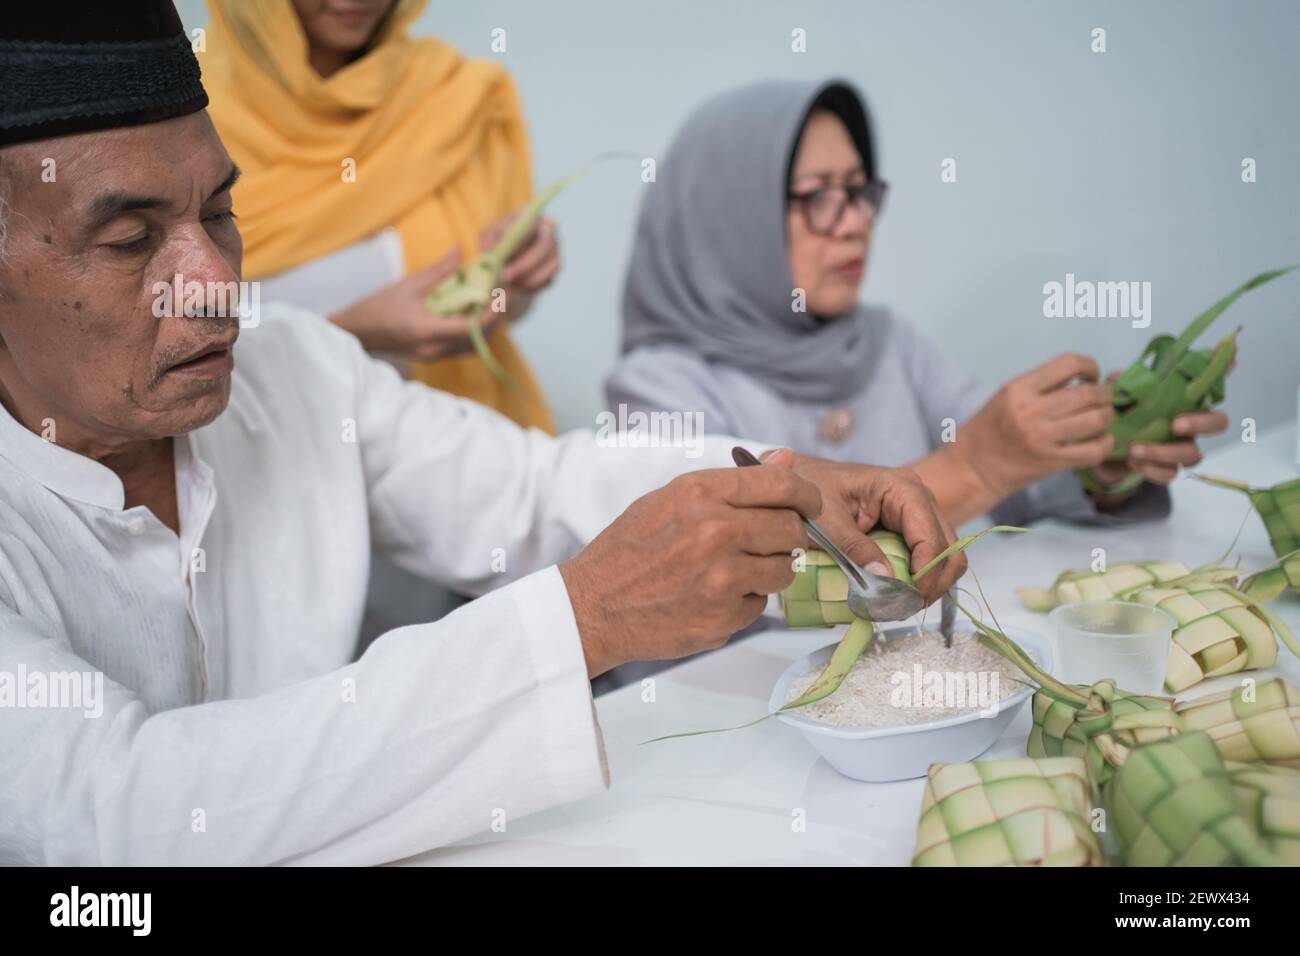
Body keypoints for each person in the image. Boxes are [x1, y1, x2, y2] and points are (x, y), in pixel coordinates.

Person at [0, 6, 962, 865]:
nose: (215, 281)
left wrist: (783, 478)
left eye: (222, 213)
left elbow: (532, 491)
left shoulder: (296, 370)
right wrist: (583, 620)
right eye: (131, 240)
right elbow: (111, 812)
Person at [606, 80, 1227, 527]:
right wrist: (978, 463)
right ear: (728, 220)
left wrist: (1106, 454)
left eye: (859, 191)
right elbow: (755, 574)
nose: (855, 225)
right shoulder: (658, 391)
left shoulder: (884, 342)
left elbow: (1022, 490)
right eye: (819, 196)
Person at [199, 0, 558, 433]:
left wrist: (520, 272)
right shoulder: (181, 118)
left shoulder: (456, 96)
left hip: (463, 455)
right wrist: (353, 334)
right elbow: (160, 355)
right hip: (268, 461)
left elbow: (502, 304)